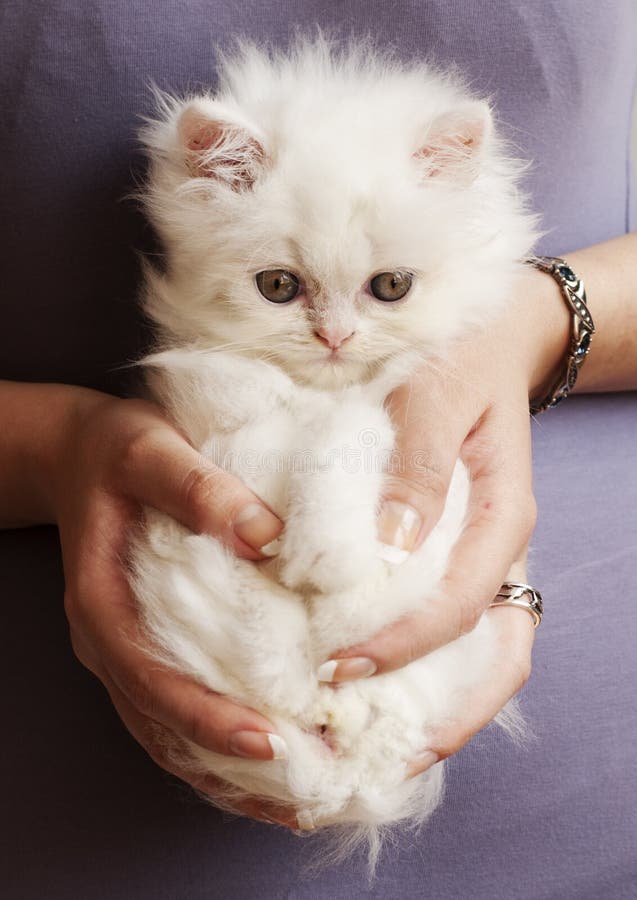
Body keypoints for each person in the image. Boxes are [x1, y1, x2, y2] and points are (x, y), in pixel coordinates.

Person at [2, 1, 636, 897]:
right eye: (279, 286)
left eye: (385, 287)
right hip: (86, 834)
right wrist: (53, 445)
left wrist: (545, 317)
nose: (336, 331)